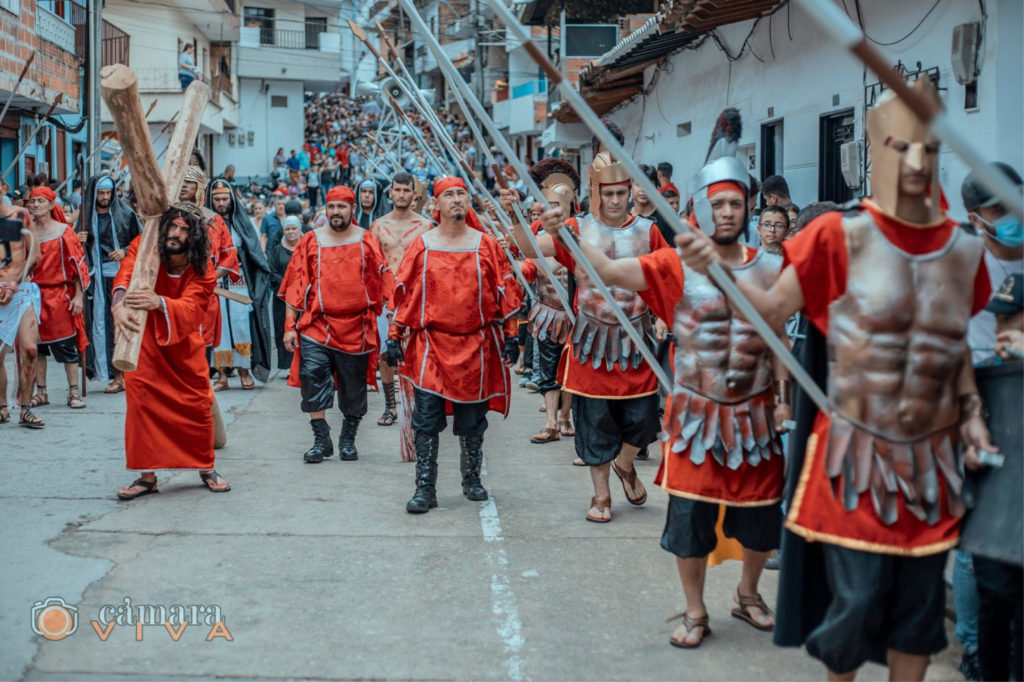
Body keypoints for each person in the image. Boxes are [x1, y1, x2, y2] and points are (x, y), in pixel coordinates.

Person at [678, 79, 995, 681]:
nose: (917, 162)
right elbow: (771, 314)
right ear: (876, 151)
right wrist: (717, 271)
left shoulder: (964, 249)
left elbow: (949, 345)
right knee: (849, 615)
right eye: (901, 148)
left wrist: (972, 412)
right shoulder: (836, 235)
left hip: (932, 464)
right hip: (855, 458)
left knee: (919, 621)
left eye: (928, 147)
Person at [540, 153, 788, 648]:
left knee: (760, 520)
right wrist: (563, 231)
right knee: (688, 523)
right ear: (702, 208)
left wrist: (783, 399)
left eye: (736, 203)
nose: (727, 212)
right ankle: (695, 611)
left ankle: (748, 594)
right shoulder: (673, 264)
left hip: (757, 416)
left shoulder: (775, 267)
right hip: (697, 416)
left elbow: (778, 337)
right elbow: (607, 269)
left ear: (749, 209)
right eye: (718, 203)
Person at [511, 120, 670, 523]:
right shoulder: (575, 230)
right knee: (593, 423)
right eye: (608, 193)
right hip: (590, 341)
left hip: (636, 340)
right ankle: (601, 496)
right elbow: (528, 247)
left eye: (621, 193)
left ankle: (625, 464)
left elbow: (667, 279)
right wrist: (516, 214)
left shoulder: (650, 232)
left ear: (630, 191)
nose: (615, 200)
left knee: (645, 421)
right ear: (595, 192)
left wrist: (666, 319)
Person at [388, 177, 522, 513]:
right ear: (436, 205)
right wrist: (394, 337)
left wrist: (513, 333)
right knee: (426, 420)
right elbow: (406, 294)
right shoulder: (423, 245)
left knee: (473, 420)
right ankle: (425, 488)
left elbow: (504, 289)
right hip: (431, 346)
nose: (457, 199)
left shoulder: (486, 244)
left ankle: (472, 479)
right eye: (449, 194)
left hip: (476, 347)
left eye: (462, 193)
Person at [112, 203, 229, 499]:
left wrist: (159, 303)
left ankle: (206, 467)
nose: (176, 234)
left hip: (184, 345)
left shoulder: (204, 267)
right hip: (145, 344)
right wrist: (119, 302)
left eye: (184, 230)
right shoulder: (144, 245)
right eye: (172, 227)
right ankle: (147, 476)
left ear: (195, 237)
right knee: (141, 406)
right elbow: (126, 273)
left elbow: (193, 308)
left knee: (198, 405)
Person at [279, 186, 392, 463]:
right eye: (331, 207)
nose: (336, 212)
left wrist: (396, 324)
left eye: (342, 206)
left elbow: (384, 281)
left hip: (357, 329)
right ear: (326, 209)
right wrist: (289, 325)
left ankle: (347, 439)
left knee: (354, 391)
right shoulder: (310, 241)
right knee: (312, 380)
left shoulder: (367, 240)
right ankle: (321, 440)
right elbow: (296, 284)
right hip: (316, 327)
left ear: (353, 209)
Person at [514, 157, 580, 446]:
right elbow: (530, 267)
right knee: (549, 368)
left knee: (572, 368)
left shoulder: (583, 229)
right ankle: (551, 421)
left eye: (560, 202)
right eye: (550, 201)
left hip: (578, 312)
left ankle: (566, 417)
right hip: (548, 310)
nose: (555, 208)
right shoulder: (537, 232)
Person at [369, 172, 432, 440]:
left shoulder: (427, 227)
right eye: (398, 190)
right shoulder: (378, 226)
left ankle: (417, 405)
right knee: (386, 353)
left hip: (416, 298)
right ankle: (390, 405)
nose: (403, 194)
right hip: (386, 299)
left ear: (414, 195)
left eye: (407, 190)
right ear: (391, 193)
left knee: (418, 353)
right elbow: (372, 265)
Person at [26, 186, 89, 410]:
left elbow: (79, 267)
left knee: (67, 347)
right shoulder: (26, 231)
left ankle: (73, 391)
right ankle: (41, 392)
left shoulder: (64, 232)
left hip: (59, 296)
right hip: (33, 296)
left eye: (40, 202)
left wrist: (79, 297)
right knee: (36, 348)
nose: (35, 206)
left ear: (52, 205)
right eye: (32, 202)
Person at [77, 175, 143, 392]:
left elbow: (142, 240)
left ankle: (121, 376)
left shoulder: (125, 213)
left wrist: (124, 251)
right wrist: (80, 240)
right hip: (96, 280)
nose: (105, 197)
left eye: (108, 193)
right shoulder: (86, 217)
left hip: (122, 278)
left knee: (120, 325)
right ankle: (105, 371)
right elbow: (76, 250)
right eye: (101, 193)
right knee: (99, 325)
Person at [206, 178, 273, 390]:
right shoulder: (206, 222)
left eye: (224, 198)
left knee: (241, 324)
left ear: (232, 199)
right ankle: (223, 375)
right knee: (221, 326)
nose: (221, 202)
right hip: (214, 281)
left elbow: (253, 253)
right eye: (216, 199)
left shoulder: (242, 222)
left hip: (239, 280)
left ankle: (244, 371)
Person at [0, 201, 42, 427]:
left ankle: (26, 408)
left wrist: (12, 285)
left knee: (30, 349)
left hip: (22, 290)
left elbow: (34, 256)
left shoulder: (20, 215)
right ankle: (2, 408)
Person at [268, 215, 301, 371]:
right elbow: (272, 272)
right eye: (287, 229)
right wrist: (287, 286)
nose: (291, 232)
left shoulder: (305, 248)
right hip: (282, 299)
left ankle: (302, 364)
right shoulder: (276, 251)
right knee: (284, 329)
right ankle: (288, 366)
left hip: (302, 298)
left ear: (300, 230)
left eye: (294, 228)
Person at [633, 164, 675, 244]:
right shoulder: (623, 213)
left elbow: (673, 252)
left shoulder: (667, 218)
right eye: (638, 185)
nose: (643, 190)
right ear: (631, 186)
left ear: (656, 188)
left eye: (647, 186)